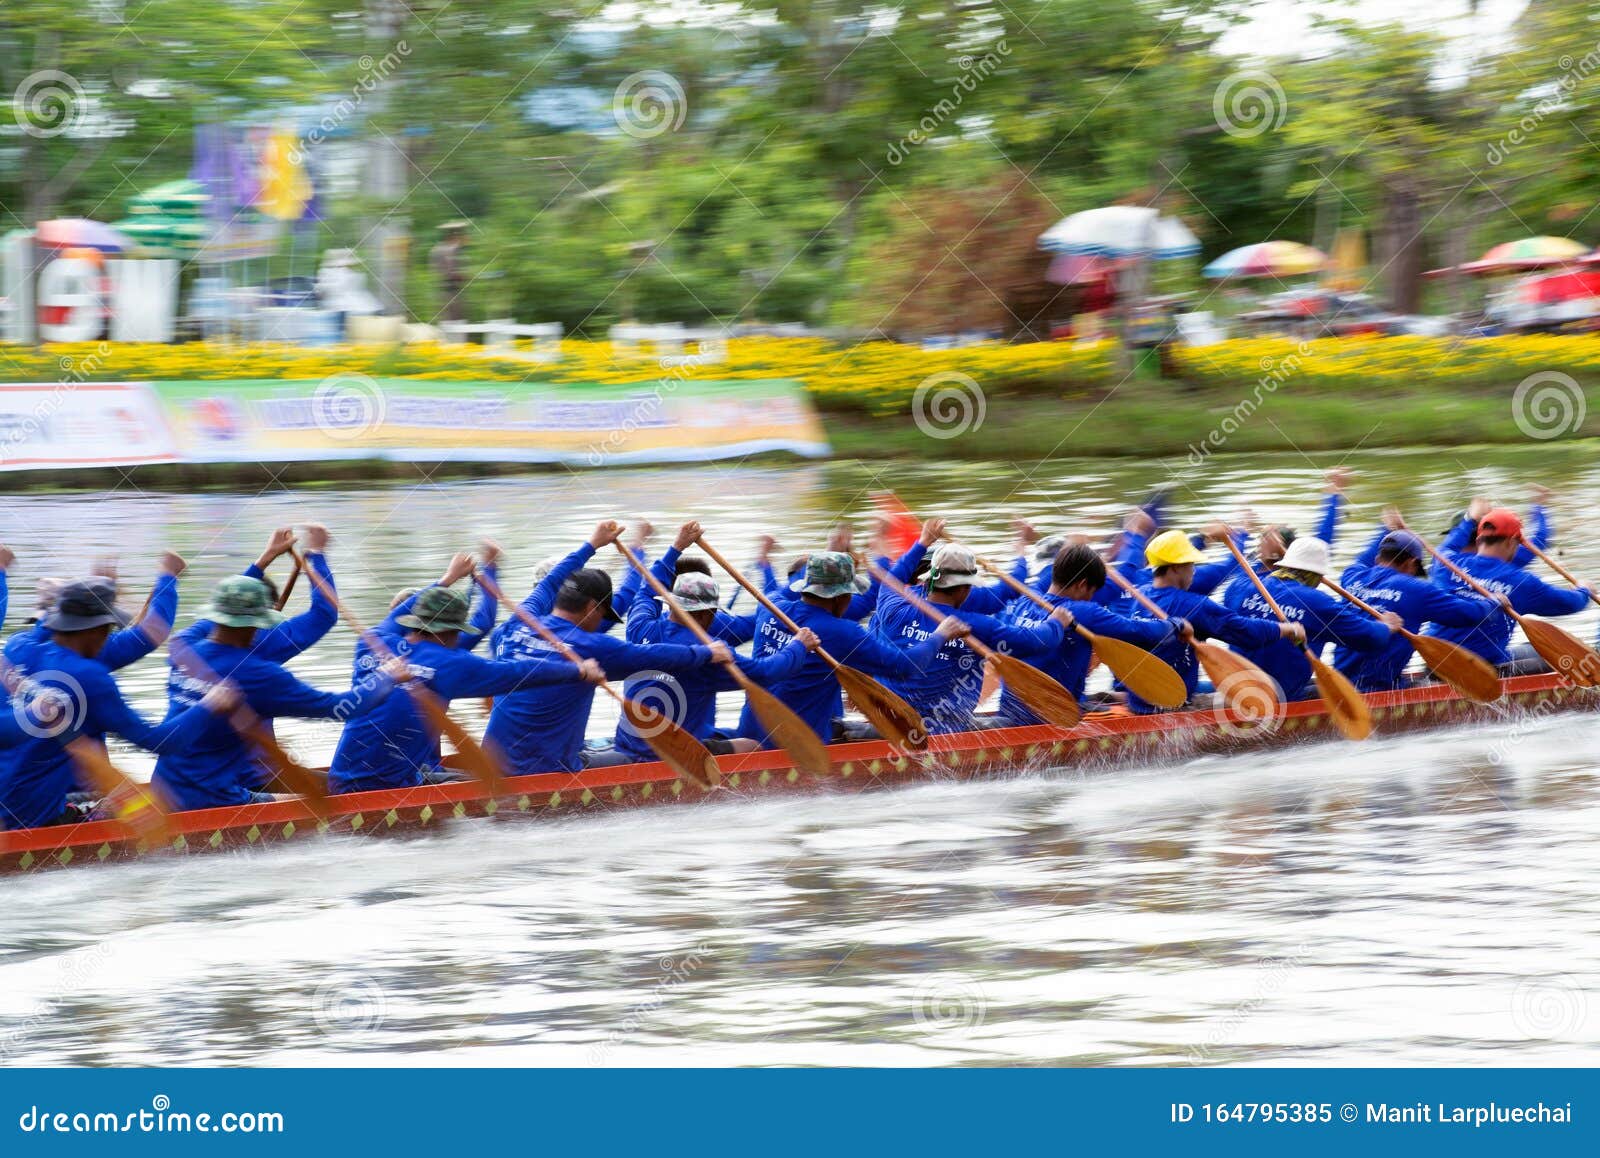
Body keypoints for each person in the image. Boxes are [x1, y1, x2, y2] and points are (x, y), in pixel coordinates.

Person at [486, 523, 732, 773]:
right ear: (592, 608)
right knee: (628, 763)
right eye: (604, 613)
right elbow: (653, 655)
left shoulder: (513, 625)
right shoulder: (591, 645)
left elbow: (550, 583)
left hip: (489, 765)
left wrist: (591, 545)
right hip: (545, 770)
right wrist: (706, 653)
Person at [0, 579, 236, 830]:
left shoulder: (17, 647)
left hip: (7, 805)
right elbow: (162, 742)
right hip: (31, 819)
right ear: (96, 631)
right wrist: (209, 704)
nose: (108, 637)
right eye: (108, 629)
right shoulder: (91, 676)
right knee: (156, 808)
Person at [154, 576, 402, 812]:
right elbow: (342, 707)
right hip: (213, 800)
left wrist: (260, 565)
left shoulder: (183, 650)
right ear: (256, 625)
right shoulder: (259, 674)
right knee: (334, 803)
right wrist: (387, 676)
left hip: (163, 791)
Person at [329, 587, 602, 794]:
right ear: (450, 633)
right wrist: (577, 670)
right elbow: (517, 673)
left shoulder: (373, 642)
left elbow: (392, 619)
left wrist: (448, 578)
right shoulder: (452, 664)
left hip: (340, 779)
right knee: (489, 788)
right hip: (386, 789)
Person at [739, 550, 966, 745]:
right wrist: (940, 635)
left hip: (749, 733)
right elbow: (905, 666)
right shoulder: (842, 632)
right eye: (849, 595)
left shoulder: (770, 606)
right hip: (801, 746)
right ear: (840, 598)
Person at [614, 569, 819, 760]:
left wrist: (676, 547)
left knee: (726, 734)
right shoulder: (712, 654)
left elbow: (645, 594)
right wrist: (799, 646)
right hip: (674, 758)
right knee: (752, 746)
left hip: (626, 745)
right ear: (705, 614)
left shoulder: (641, 627)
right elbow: (766, 673)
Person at [871, 542, 1070, 734]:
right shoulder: (977, 626)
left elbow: (891, 579)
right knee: (1010, 723)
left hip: (885, 718)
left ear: (928, 580)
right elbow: (1037, 642)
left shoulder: (892, 604)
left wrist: (923, 541)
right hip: (944, 729)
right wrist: (1056, 622)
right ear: (964, 589)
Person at [992, 545, 1177, 722]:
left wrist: (1022, 551)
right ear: (1082, 584)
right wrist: (1177, 625)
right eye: (1093, 592)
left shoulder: (1025, 600)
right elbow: (1138, 631)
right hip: (1053, 719)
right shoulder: (1082, 612)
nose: (1092, 598)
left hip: (1011, 710)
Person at [1125, 529, 1301, 712]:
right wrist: (1287, 629)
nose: (1194, 571)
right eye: (1191, 564)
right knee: (1261, 699)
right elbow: (1245, 632)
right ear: (1175, 568)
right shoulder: (1193, 606)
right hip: (1171, 708)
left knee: (1213, 688)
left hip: (1137, 702)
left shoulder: (1141, 595)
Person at [1222, 536, 1398, 699]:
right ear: (1318, 576)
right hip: (1281, 698)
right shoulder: (1317, 603)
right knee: (1349, 690)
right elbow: (1370, 639)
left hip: (1235, 692)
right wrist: (1387, 627)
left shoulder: (1239, 586)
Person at [1332, 521, 1499, 691]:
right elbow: (1468, 615)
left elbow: (1362, 558)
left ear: (1377, 559)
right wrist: (1494, 602)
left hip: (1341, 681)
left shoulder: (1351, 576)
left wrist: (1386, 528)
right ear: (1410, 564)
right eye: (1415, 570)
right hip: (1379, 687)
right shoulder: (1417, 590)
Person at [1425, 507, 1593, 672]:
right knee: (1561, 653)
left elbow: (1447, 546)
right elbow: (1570, 604)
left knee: (1530, 647)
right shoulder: (1522, 582)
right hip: (1485, 672)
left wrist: (1470, 518)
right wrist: (1584, 591)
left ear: (1479, 541)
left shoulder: (1444, 563)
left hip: (1435, 665)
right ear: (1511, 542)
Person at [179, 525, 340, 662]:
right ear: (264, 614)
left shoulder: (188, 641)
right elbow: (325, 614)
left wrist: (265, 558)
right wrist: (317, 554)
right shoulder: (268, 642)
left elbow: (234, 598)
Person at [7, 552, 186, 671]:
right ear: (94, 629)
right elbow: (153, 631)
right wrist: (167, 576)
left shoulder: (17, 645)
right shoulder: (93, 661)